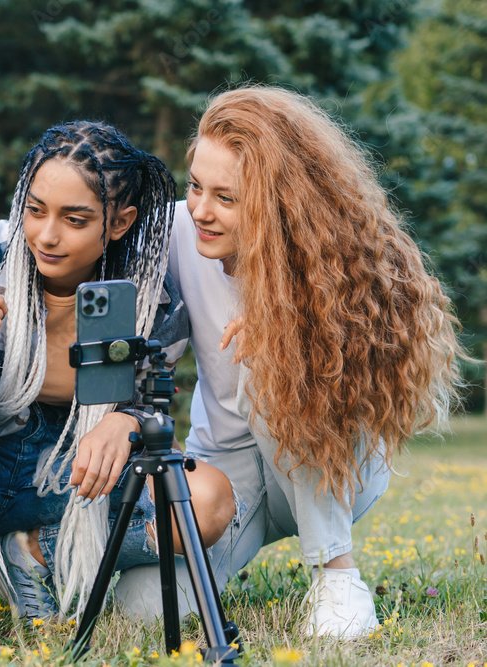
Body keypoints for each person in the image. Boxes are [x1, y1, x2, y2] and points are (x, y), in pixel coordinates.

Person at [0, 120, 237, 653]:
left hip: (68, 483)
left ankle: (35, 551)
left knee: (208, 500)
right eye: (35, 209)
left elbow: (153, 407)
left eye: (75, 218)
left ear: (120, 222)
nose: (46, 234)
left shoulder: (152, 300)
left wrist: (127, 420)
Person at [118, 85, 464, 638]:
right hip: (230, 473)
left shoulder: (335, 253)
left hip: (329, 467)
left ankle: (335, 573)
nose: (202, 211)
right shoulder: (176, 230)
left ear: (278, 200)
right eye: (196, 187)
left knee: (271, 360)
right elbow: (68, 239)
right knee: (145, 607)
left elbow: (368, 379)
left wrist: (288, 332)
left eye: (226, 198)